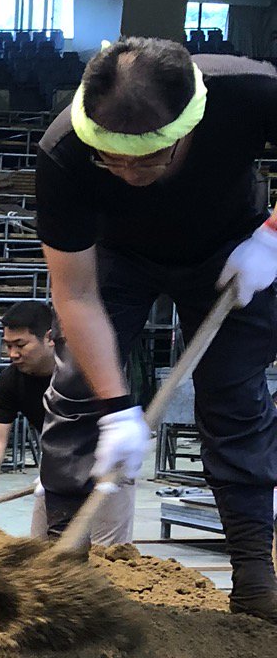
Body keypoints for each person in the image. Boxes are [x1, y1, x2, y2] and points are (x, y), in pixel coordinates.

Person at [35, 36, 277, 618]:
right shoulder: (65, 149)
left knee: (232, 392)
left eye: (147, 159)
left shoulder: (250, 92)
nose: (126, 174)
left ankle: (253, 570)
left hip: (232, 247)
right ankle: (63, 563)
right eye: (110, 159)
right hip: (116, 258)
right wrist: (117, 406)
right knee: (77, 391)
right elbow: (75, 291)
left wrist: (271, 238)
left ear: (188, 125)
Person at [0, 300, 133, 542]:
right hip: (57, 465)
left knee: (107, 555)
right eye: (7, 346)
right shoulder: (11, 381)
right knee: (42, 552)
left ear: (49, 338)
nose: (13, 354)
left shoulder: (86, 371)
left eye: (20, 345)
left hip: (107, 465)